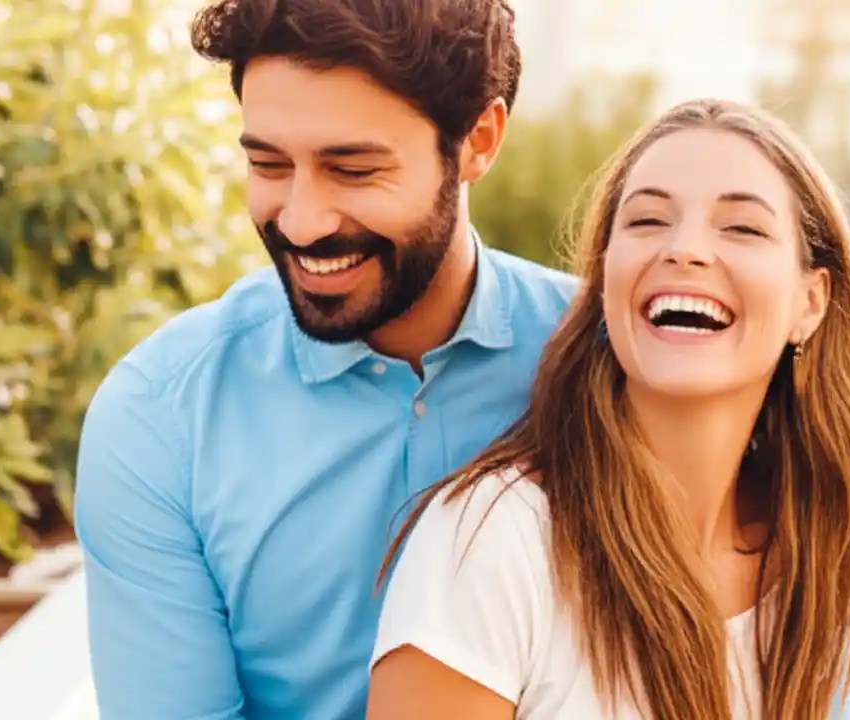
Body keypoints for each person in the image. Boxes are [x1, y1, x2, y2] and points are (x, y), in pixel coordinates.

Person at [73, 1, 575, 718]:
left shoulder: (608, 363)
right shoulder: (160, 418)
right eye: (268, 164)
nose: (302, 221)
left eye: (353, 169)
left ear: (478, 141)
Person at [368, 99, 850, 720]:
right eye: (648, 220)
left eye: (743, 228)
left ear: (810, 302)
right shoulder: (493, 542)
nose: (686, 249)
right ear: (604, 276)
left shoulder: (817, 549)